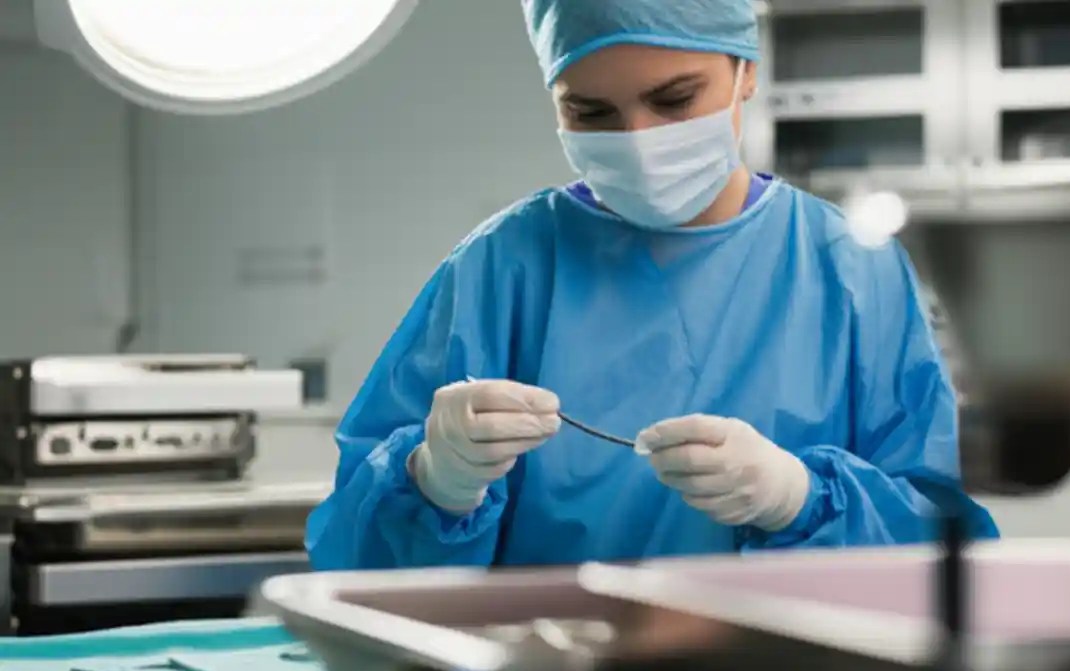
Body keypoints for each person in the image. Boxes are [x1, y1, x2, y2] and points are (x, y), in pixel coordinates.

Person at [305, 0, 998, 571]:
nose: (638, 139)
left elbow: (942, 552)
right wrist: (435, 480)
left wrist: (800, 499)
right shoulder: (501, 269)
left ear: (746, 72)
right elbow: (355, 566)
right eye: (592, 113)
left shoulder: (852, 268)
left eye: (674, 99)